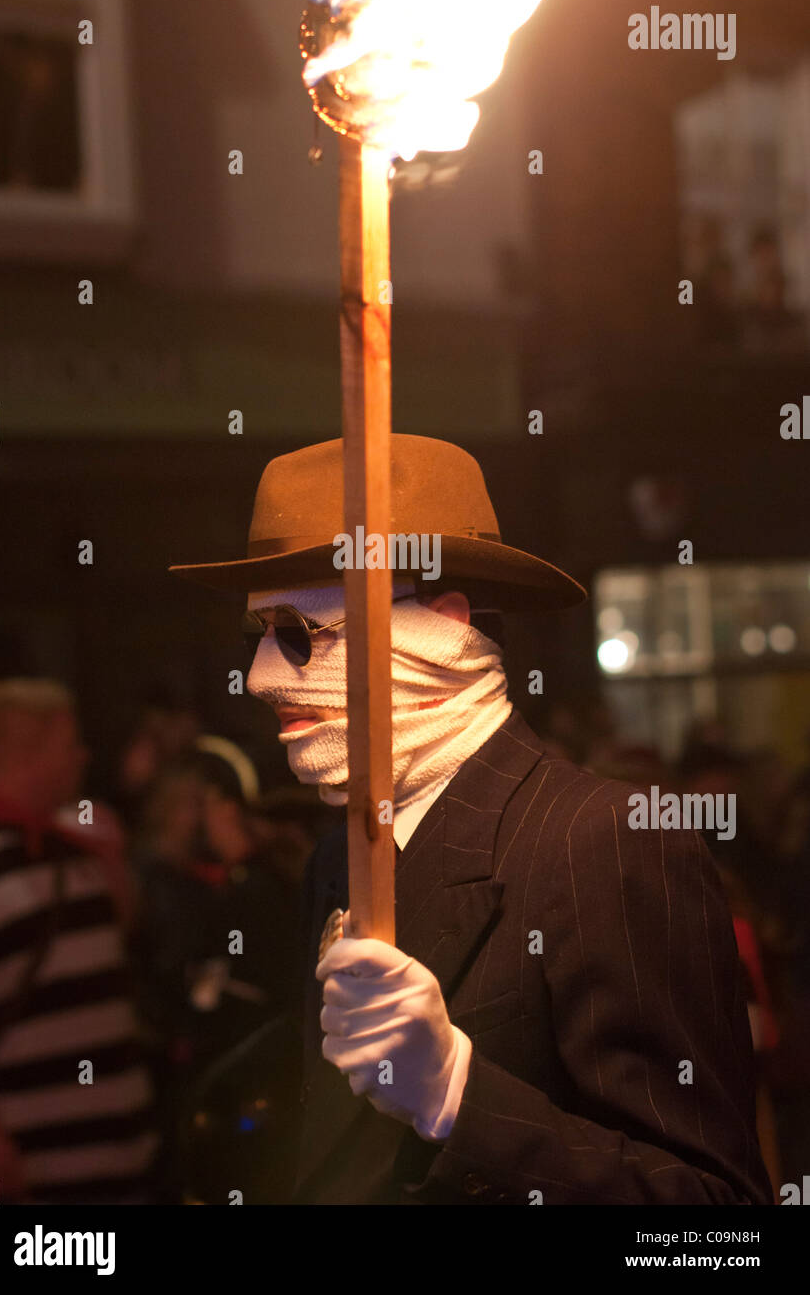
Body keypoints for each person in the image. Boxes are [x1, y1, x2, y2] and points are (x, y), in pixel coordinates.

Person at [171, 433, 772, 1206]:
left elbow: (713, 1222)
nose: (259, 680)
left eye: (300, 634)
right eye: (258, 638)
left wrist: (459, 1096)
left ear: (444, 624)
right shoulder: (340, 855)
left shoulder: (602, 842)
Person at [0, 680, 158, 1203]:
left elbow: (124, 932)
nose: (82, 757)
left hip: (121, 1156)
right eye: (68, 744)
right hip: (34, 1166)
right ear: (26, 752)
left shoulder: (71, 846)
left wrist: (111, 857)